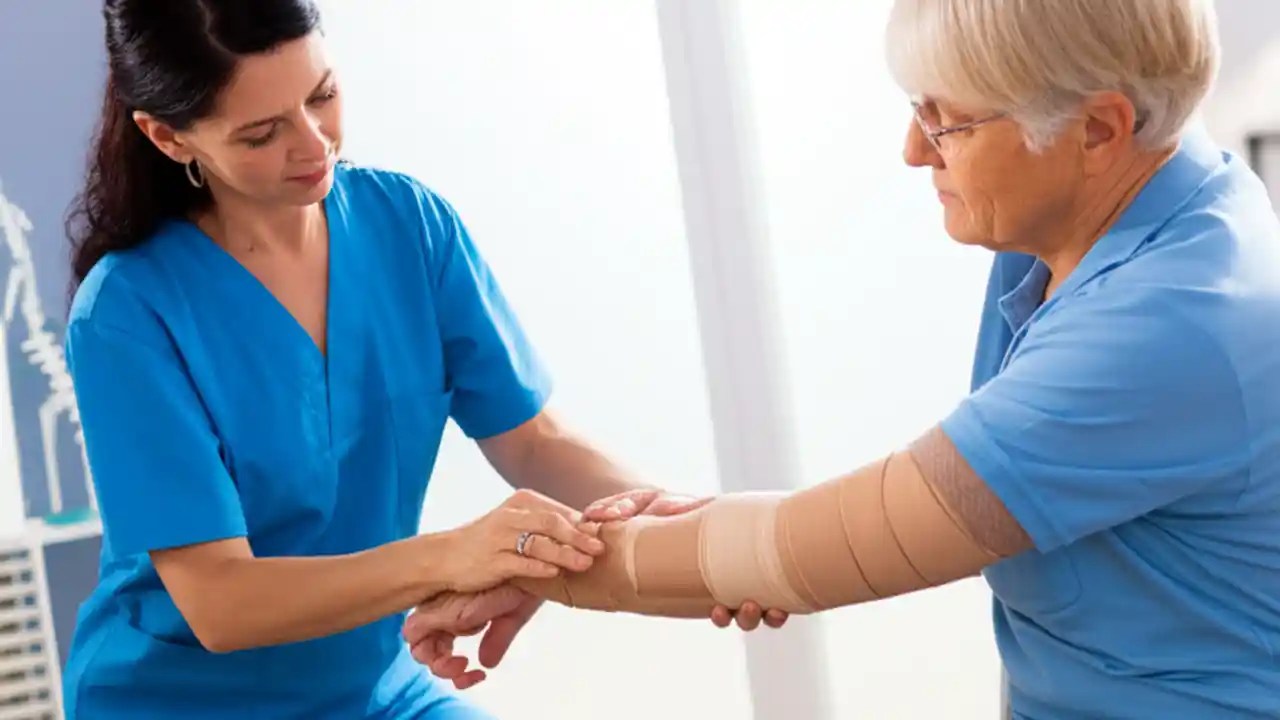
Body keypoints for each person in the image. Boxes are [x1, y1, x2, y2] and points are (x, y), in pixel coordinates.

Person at [403, 0, 1280, 717]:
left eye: (949, 125)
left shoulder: (1170, 321)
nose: (913, 152)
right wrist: (679, 528)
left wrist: (540, 564)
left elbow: (831, 546)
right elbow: (915, 502)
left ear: (1098, 128)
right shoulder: (1110, 219)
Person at [60, 1, 774, 717]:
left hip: (375, 692)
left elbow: (536, 442)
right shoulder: (127, 313)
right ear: (168, 136)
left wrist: (697, 542)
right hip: (178, 703)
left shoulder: (409, 226)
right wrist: (450, 558)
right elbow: (219, 601)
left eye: (322, 96)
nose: (314, 146)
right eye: (262, 133)